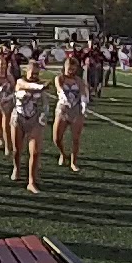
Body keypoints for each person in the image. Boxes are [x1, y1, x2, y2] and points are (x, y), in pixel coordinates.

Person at [12, 59, 48, 193]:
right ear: (26, 71)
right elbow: (27, 86)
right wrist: (40, 87)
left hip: (34, 119)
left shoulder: (39, 85)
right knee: (17, 149)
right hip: (19, 118)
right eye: (32, 73)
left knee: (35, 151)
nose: (34, 76)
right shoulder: (20, 82)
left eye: (36, 73)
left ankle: (31, 181)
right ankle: (16, 167)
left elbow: (45, 103)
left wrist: (44, 114)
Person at [53, 56, 88, 171]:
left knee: (76, 139)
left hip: (76, 110)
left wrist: (83, 103)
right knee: (56, 138)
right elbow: (59, 88)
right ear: (65, 67)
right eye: (69, 69)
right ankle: (62, 153)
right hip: (63, 109)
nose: (71, 71)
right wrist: (63, 96)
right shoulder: (59, 78)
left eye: (73, 69)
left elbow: (83, 92)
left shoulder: (78, 80)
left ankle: (73, 162)